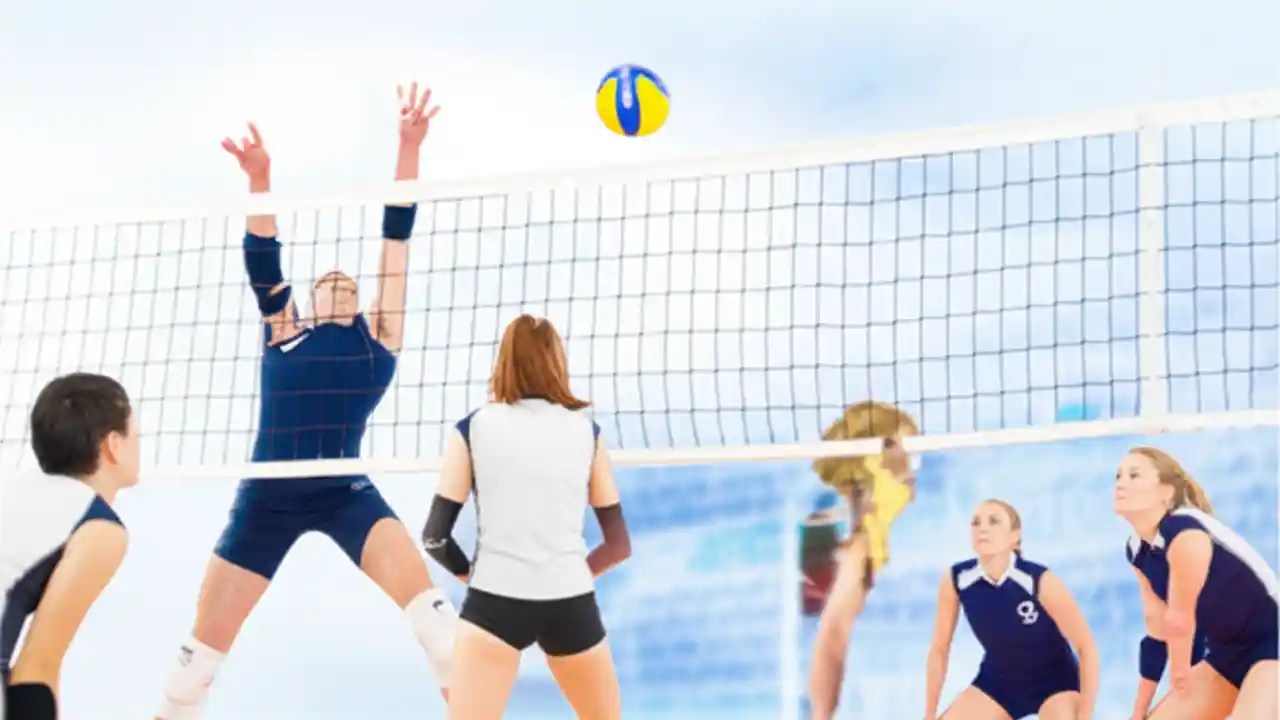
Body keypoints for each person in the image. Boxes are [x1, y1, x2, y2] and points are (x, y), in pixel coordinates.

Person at [154, 82, 457, 719]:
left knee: (440, 632)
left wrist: (408, 146)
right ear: (311, 304)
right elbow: (262, 257)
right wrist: (260, 176)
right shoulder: (284, 333)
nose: (335, 280)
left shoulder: (381, 338)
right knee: (190, 677)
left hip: (344, 490)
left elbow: (396, 238)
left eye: (345, 280)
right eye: (324, 281)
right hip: (267, 494)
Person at [421, 314, 632, 720]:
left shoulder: (472, 428)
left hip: (494, 600)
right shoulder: (587, 432)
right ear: (557, 363)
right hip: (570, 601)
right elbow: (619, 545)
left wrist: (470, 575)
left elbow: (435, 538)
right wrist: (569, 573)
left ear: (505, 362)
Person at [1, 373, 140, 720]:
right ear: (113, 445)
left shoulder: (10, 488)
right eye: (136, 436)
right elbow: (34, 673)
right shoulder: (101, 529)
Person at [1115, 447, 1277, 720]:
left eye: (1134, 475)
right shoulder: (1137, 551)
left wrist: (1180, 676)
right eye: (1118, 476)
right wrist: (1140, 710)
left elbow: (1180, 620)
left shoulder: (1184, 531)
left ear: (1166, 492)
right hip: (1227, 656)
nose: (1120, 483)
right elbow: (1157, 634)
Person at [923, 499, 1099, 719]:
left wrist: (1086, 713)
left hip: (1056, 683)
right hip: (998, 684)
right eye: (976, 522)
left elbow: (1086, 647)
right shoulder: (957, 579)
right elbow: (939, 650)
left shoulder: (1039, 581)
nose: (983, 528)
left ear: (1014, 537)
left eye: (994, 521)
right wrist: (929, 714)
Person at [803, 400, 919, 720]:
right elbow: (832, 637)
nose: (912, 472)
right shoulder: (855, 546)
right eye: (904, 457)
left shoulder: (871, 538)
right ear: (870, 467)